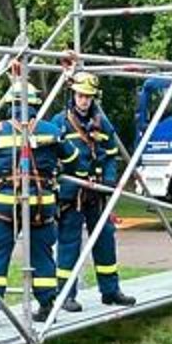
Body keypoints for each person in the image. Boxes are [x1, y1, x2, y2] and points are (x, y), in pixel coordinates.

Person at [0, 79, 62, 328]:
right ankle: (47, 306)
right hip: (41, 205)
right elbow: (71, 158)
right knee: (42, 256)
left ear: (10, 104)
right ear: (35, 104)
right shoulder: (51, 130)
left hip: (4, 206)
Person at [55, 72, 135, 310]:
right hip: (73, 193)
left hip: (98, 192)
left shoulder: (102, 122)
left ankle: (110, 291)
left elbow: (110, 154)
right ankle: (65, 294)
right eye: (81, 96)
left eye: (88, 97)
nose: (84, 101)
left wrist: (109, 178)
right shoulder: (60, 121)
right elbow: (54, 155)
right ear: (73, 95)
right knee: (69, 244)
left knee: (105, 240)